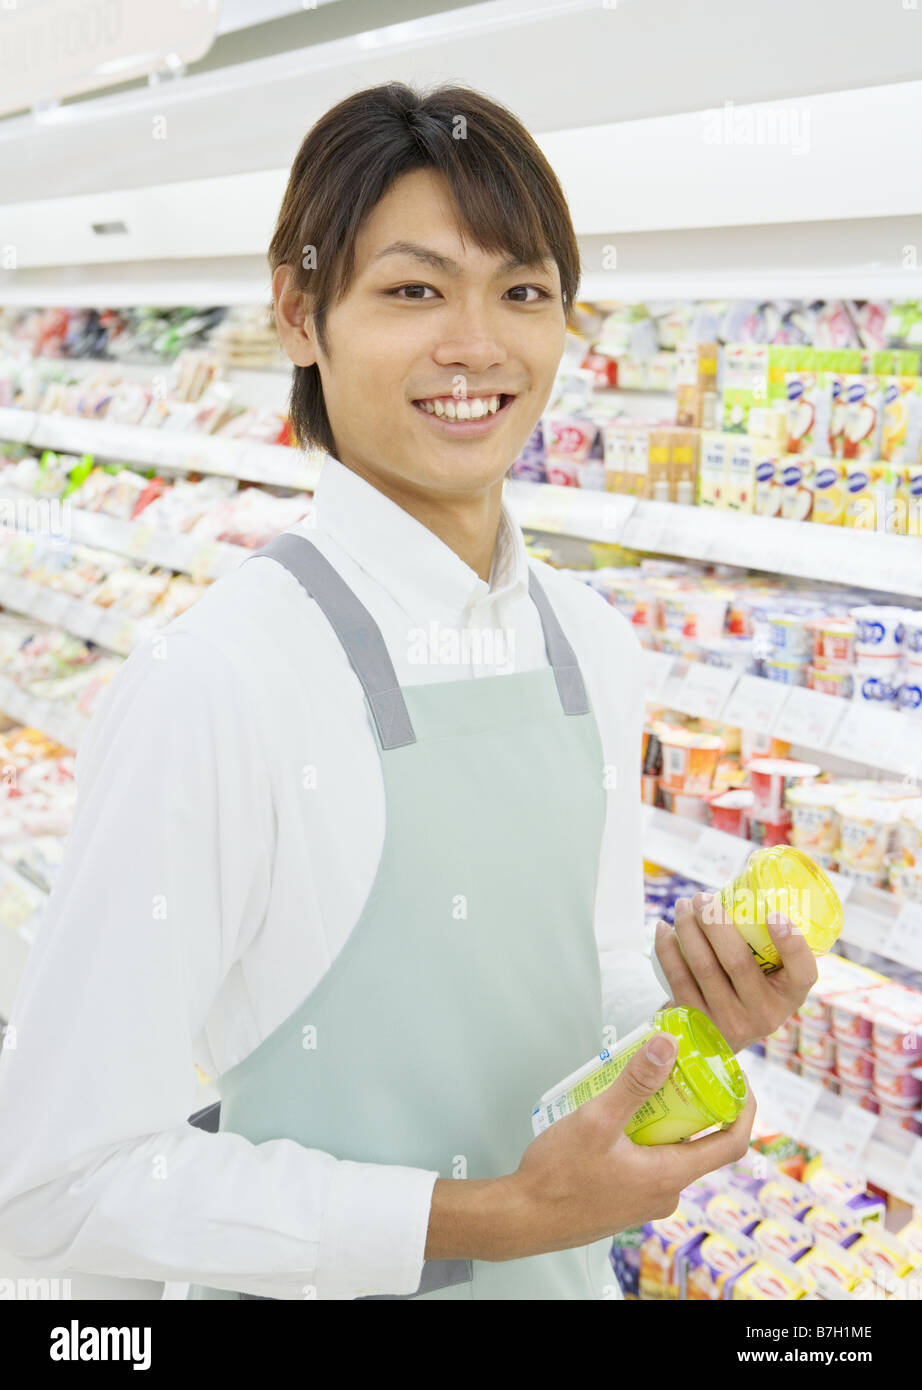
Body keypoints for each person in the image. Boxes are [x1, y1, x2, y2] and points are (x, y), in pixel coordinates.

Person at [0, 82, 815, 1301]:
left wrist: (688, 1003)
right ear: (297, 312)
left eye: (522, 291)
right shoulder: (220, 683)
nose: (478, 345)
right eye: (414, 290)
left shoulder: (590, 642)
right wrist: (488, 1216)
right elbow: (58, 1185)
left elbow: (567, 975)